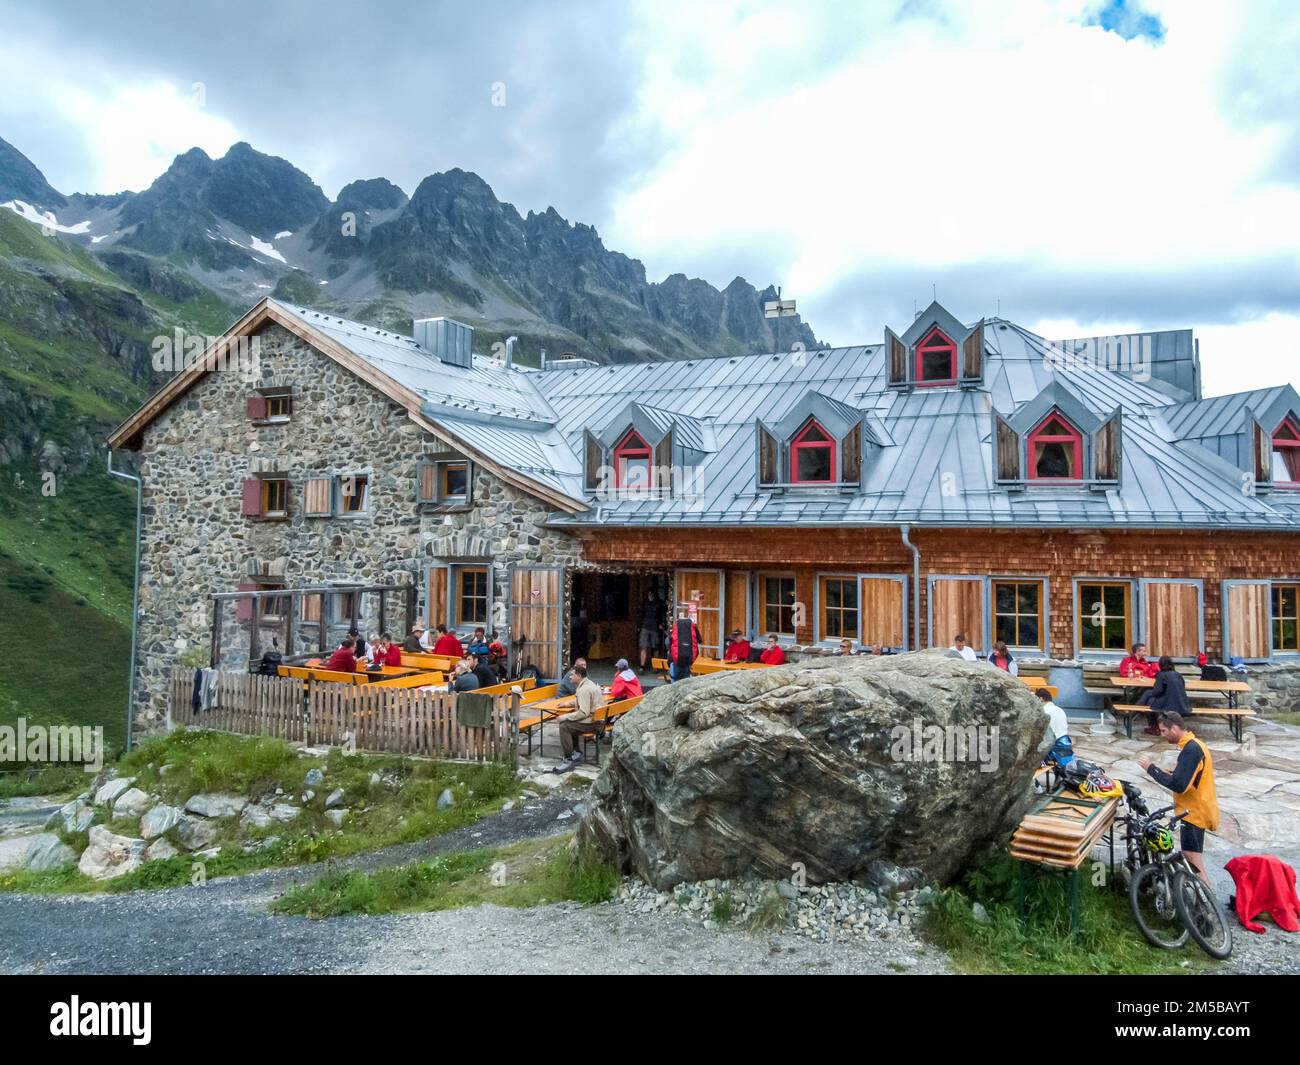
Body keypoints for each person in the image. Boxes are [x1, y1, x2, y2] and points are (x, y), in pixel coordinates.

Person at [1138, 711, 1220, 885]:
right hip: (1198, 809)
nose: (1162, 734)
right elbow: (1191, 777)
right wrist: (1174, 772)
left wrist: (1151, 769)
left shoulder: (1191, 750)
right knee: (1193, 858)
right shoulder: (1195, 745)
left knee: (1193, 861)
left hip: (1193, 814)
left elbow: (1180, 786)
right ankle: (1203, 900)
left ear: (1174, 728)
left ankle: (1206, 903)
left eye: (1163, 731)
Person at [553, 664, 603, 771]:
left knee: (564, 726)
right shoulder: (589, 684)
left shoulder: (584, 689)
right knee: (571, 723)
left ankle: (568, 759)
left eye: (572, 675)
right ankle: (577, 753)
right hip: (598, 721)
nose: (570, 677)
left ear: (579, 676)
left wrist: (565, 716)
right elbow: (583, 701)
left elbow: (583, 713)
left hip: (594, 723)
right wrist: (567, 704)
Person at [1138, 655, 1189, 736]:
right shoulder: (1178, 674)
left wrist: (1155, 693)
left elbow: (1157, 691)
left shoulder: (1161, 675)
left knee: (1151, 703)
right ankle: (1139, 709)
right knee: (1149, 696)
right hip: (1182, 703)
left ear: (1160, 665)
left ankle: (1154, 727)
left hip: (1169, 704)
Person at [1036, 688, 1073, 767]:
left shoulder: (1043, 711)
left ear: (1041, 699)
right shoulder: (1060, 710)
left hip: (1052, 751)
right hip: (1065, 746)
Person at [668, 612, 699, 681]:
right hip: (688, 658)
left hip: (677, 659)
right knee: (685, 679)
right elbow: (699, 640)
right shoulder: (692, 627)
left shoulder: (675, 628)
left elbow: (668, 642)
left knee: (676, 679)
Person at [638, 592, 664, 670]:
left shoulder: (658, 604)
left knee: (655, 647)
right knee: (643, 647)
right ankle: (642, 666)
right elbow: (640, 615)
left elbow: (661, 615)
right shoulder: (644, 604)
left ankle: (655, 666)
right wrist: (639, 626)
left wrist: (661, 623)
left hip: (654, 627)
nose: (650, 596)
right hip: (645, 627)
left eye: (651, 594)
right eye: (649, 594)